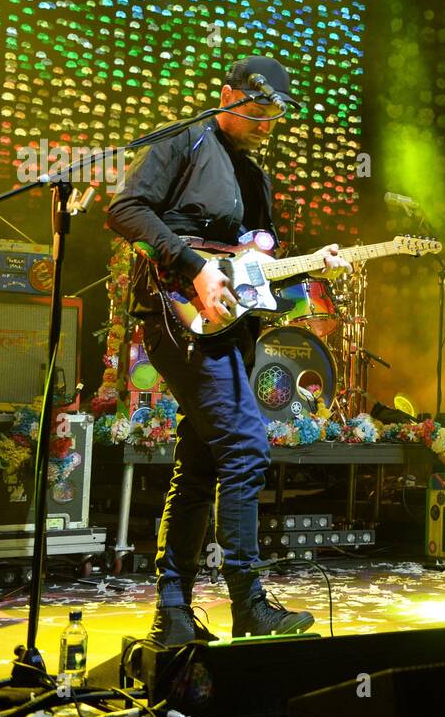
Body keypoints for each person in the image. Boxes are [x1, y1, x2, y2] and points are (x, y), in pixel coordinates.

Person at [107, 55, 349, 646]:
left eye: (275, 116)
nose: (267, 124)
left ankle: (173, 614)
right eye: (257, 110)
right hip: (178, 315)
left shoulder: (255, 178)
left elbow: (256, 269)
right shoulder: (183, 141)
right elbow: (125, 209)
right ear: (226, 95)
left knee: (200, 464)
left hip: (231, 326)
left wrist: (313, 269)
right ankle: (248, 604)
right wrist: (193, 266)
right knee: (244, 447)